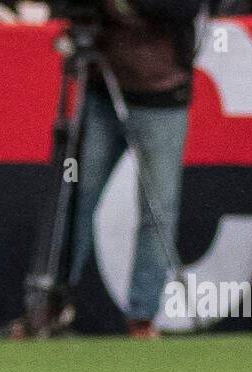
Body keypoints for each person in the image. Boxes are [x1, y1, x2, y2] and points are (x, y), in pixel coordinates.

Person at [67, 0, 209, 338]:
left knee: (157, 208)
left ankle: (143, 316)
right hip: (104, 89)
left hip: (164, 95)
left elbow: (185, 8)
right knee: (76, 197)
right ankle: (53, 301)